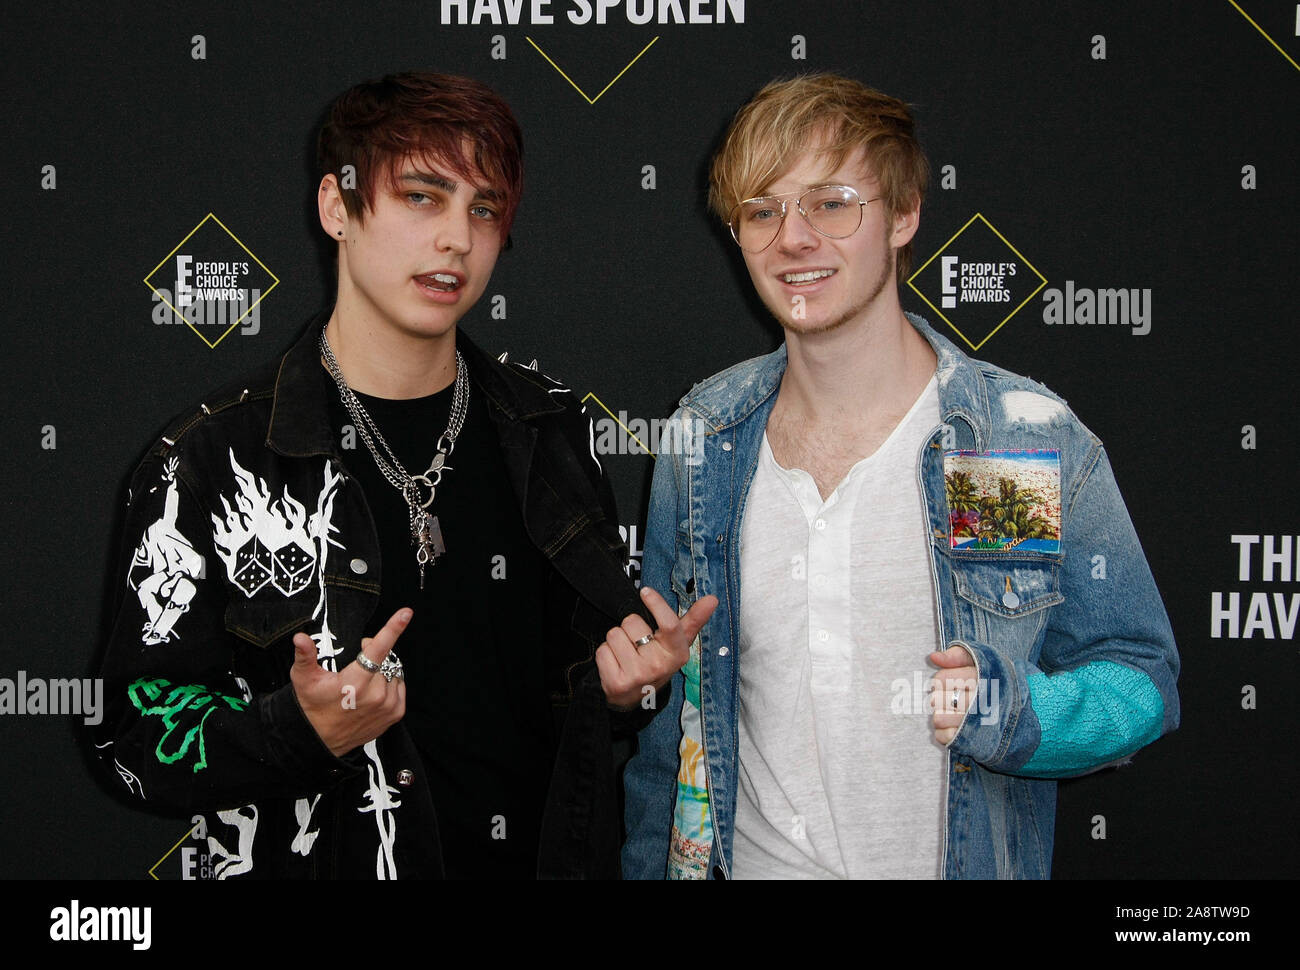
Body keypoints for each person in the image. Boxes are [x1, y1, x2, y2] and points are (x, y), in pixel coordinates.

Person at [95, 71, 710, 879]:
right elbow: (130, 737)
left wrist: (630, 691)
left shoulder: (550, 429)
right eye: (423, 197)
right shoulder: (210, 460)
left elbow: (579, 695)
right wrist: (297, 732)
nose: (457, 237)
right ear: (335, 207)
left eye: (483, 209)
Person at [621, 73, 1180, 880]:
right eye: (763, 210)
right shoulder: (706, 438)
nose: (795, 238)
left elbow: (1142, 677)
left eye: (832, 202)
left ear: (904, 214)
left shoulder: (1006, 449)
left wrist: (1010, 711)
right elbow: (669, 739)